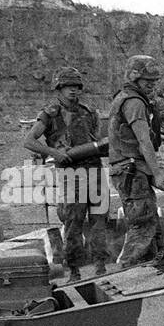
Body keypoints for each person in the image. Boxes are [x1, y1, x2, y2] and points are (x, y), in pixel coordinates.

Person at [24, 67, 108, 280]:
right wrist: (53, 153)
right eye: (68, 86)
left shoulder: (88, 111)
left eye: (76, 87)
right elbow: (29, 141)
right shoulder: (50, 114)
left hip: (95, 171)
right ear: (59, 89)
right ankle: (74, 270)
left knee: (99, 220)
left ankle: (100, 265)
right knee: (73, 223)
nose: (73, 91)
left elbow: (97, 139)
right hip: (71, 174)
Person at [108, 55, 164, 266]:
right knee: (143, 226)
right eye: (147, 81)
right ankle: (128, 270)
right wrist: (158, 173)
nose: (151, 85)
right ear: (135, 78)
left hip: (130, 169)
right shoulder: (134, 102)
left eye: (154, 81)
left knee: (150, 222)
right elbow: (144, 142)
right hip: (131, 170)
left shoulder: (126, 97)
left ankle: (153, 268)